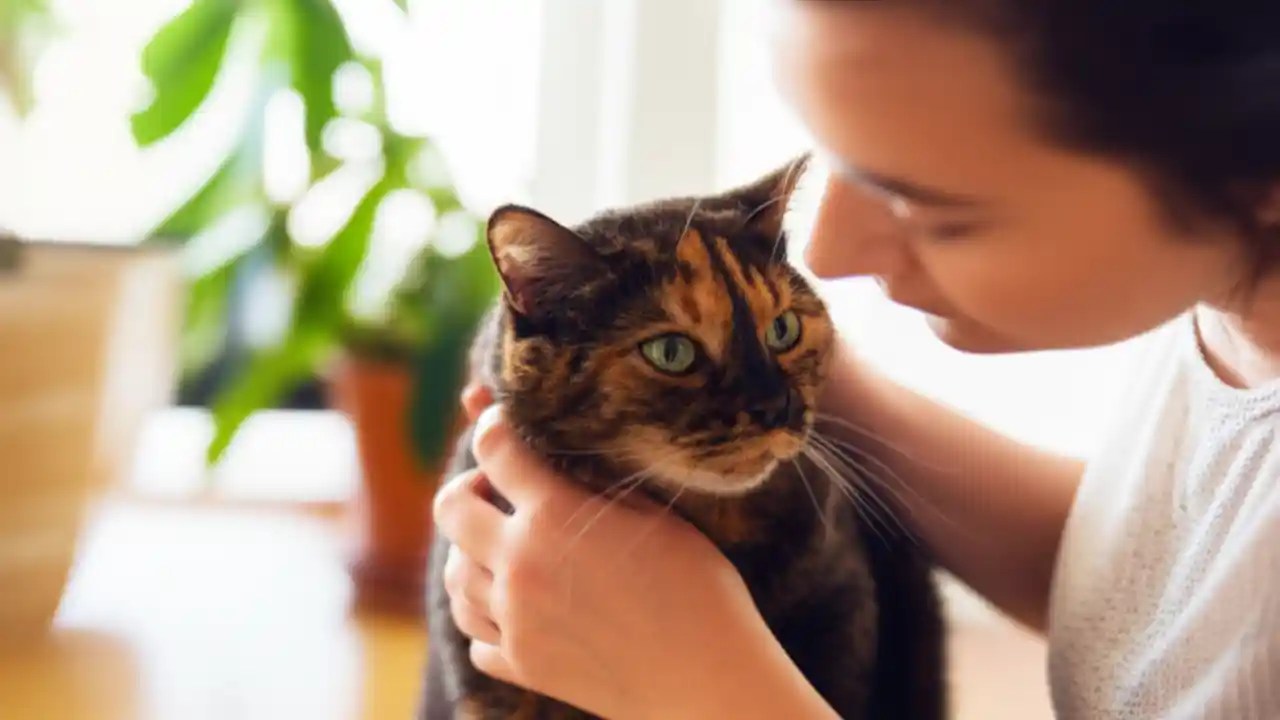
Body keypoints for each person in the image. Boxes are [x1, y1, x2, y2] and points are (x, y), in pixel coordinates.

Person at [430, 1, 1280, 717]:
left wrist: (710, 689)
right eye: (841, 158)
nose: (828, 254)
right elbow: (1168, 578)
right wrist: (802, 380)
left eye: (933, 207)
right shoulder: (1225, 308)